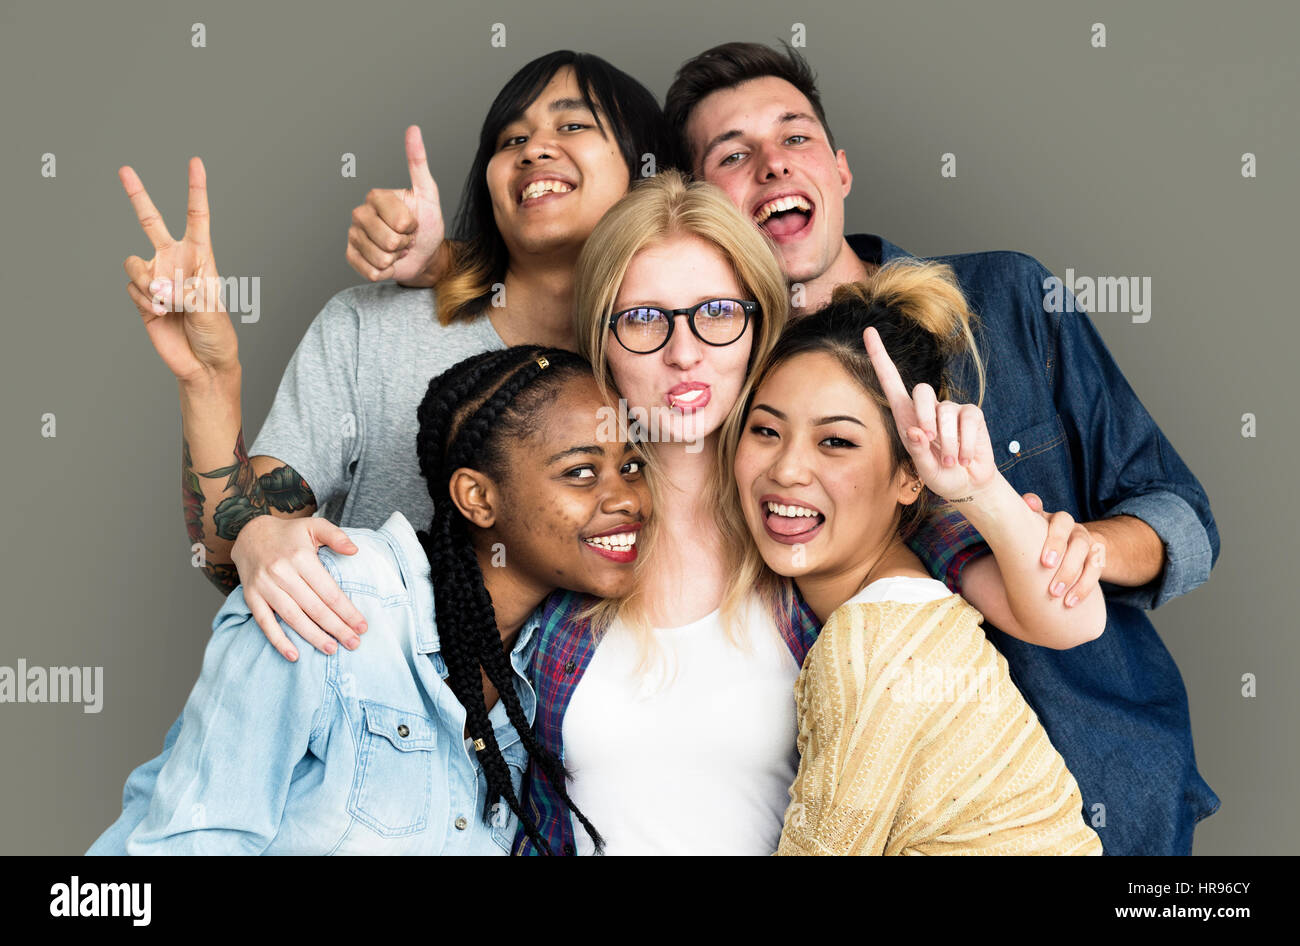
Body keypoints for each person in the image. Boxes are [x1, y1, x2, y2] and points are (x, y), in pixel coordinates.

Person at [660, 41, 1220, 854]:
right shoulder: (717, 375)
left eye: (795, 138)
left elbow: (1184, 517)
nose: (774, 167)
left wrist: (1073, 550)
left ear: (839, 170)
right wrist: (453, 271)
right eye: (734, 155)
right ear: (703, 202)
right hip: (890, 812)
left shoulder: (1006, 296)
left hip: (1112, 792)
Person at [515, 171, 1104, 856]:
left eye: (716, 313)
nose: (684, 352)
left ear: (757, 325)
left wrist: (982, 492)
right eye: (644, 318)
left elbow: (1072, 619)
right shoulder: (557, 524)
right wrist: (362, 577)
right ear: (601, 340)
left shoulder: (821, 518)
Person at [118, 50, 670, 660]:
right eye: (511, 137)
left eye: (572, 125)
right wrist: (208, 380)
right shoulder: (372, 327)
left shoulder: (680, 355)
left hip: (568, 738)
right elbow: (232, 557)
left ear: (647, 170)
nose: (534, 148)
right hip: (370, 722)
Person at [88, 345, 649, 854]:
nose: (625, 497)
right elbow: (190, 843)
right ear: (477, 498)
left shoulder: (547, 678)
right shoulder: (324, 597)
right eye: (580, 472)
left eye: (631, 467)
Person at [725, 263, 1101, 855]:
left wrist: (979, 488)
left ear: (909, 477)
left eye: (836, 441)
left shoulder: (872, 639)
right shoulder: (912, 600)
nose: (787, 469)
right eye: (766, 431)